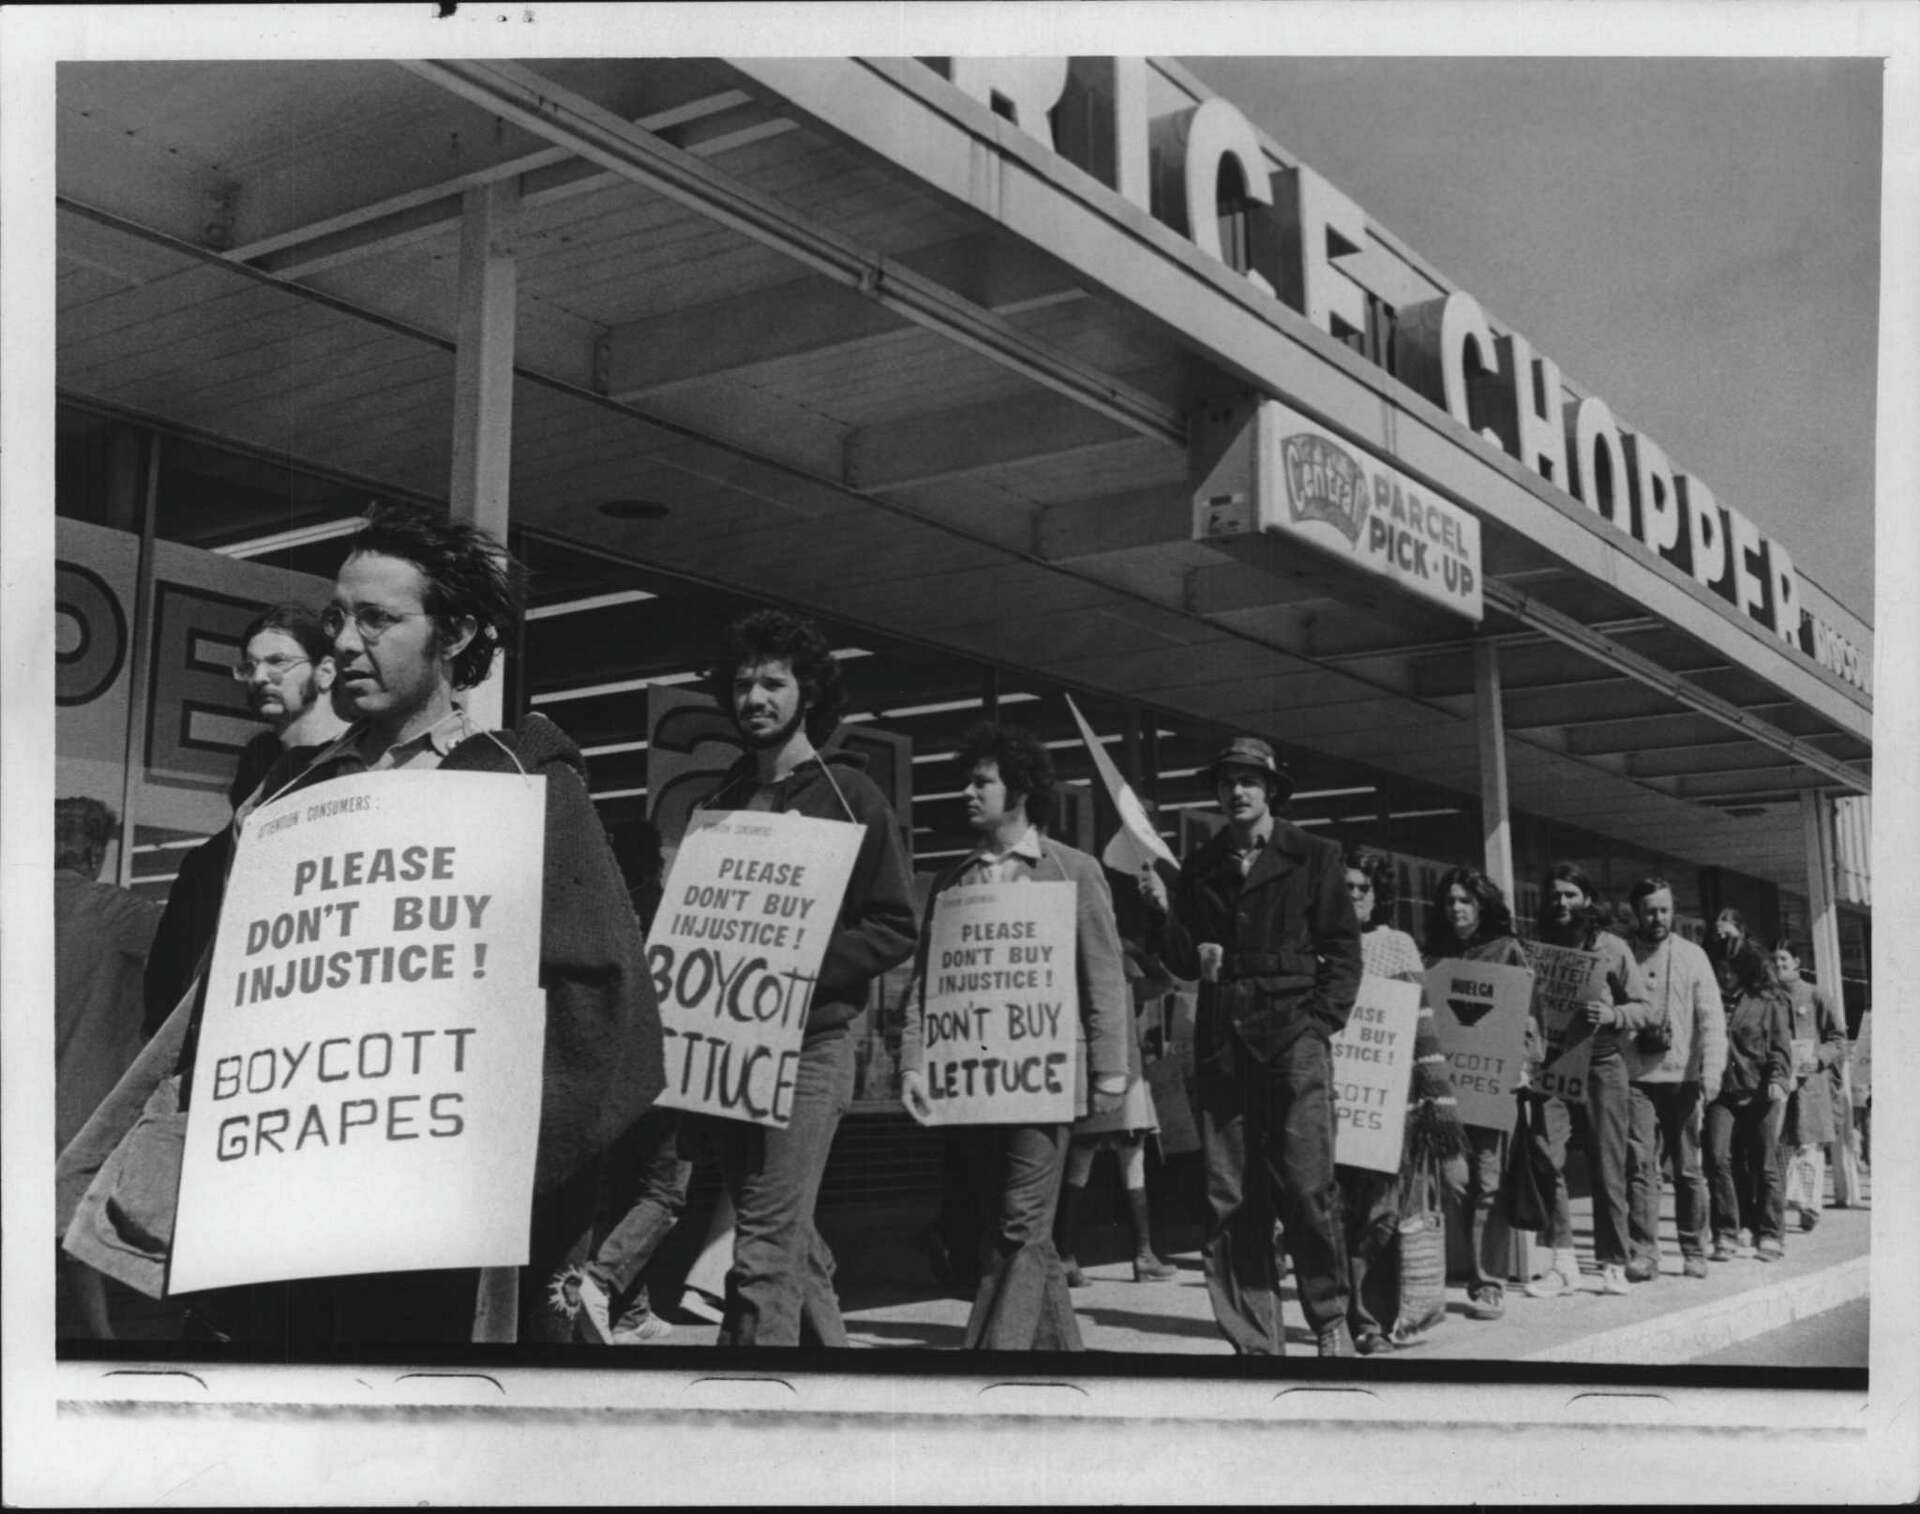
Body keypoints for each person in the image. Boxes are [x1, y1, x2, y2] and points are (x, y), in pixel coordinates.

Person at [69, 503, 667, 1347]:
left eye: (378, 619)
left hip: (430, 1229)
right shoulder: (290, 794)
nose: (345, 641)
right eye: (337, 618)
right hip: (282, 1211)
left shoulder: (518, 785)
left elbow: (606, 1010)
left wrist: (498, 1170)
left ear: (454, 634)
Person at [693, 609, 917, 1347]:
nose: (754, 698)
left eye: (773, 683)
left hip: (809, 1050)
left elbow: (893, 925)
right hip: (725, 1048)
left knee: (759, 1253)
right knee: (788, 1239)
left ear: (808, 694)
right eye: (742, 683)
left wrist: (799, 967)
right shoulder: (719, 801)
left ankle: (758, 1412)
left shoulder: (850, 795)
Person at [900, 724, 1130, 1349]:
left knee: (1021, 1221)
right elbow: (926, 985)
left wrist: (1111, 1068)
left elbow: (1105, 974)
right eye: (967, 782)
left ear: (1020, 789)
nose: (967, 794)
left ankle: (986, 1357)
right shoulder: (951, 882)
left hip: (1044, 1079)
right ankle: (1061, 1357)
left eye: (982, 782)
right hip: (971, 1082)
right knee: (1008, 1228)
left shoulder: (1072, 870)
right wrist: (912, 1066)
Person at [1138, 736, 1361, 1357]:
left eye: (1249, 781)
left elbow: (1343, 948)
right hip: (1224, 1042)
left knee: (1308, 1184)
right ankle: (1255, 1339)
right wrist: (1161, 915)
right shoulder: (1202, 865)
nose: (1237, 791)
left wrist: (1320, 1023)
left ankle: (1329, 1318)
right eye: (1227, 780)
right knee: (1229, 1195)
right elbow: (1185, 960)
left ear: (1271, 792)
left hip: (1295, 1038)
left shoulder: (1314, 855)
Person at [140, 603, 349, 1037]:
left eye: (278, 662)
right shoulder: (264, 794)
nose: (258, 678)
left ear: (326, 671)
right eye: (249, 666)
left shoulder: (356, 771)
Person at [1336, 848, 1466, 1354]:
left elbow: (1422, 1030)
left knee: (1383, 1218)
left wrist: (1440, 1109)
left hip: (1395, 1111)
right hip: (1339, 1107)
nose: (1353, 898)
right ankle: (1361, 1323)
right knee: (1345, 1217)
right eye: (1344, 889)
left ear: (1378, 895)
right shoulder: (1319, 948)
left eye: (1361, 889)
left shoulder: (1397, 947)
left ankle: (1381, 1315)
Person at [54, 796, 164, 1340]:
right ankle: (101, 1341)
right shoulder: (111, 910)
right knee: (79, 1227)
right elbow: (189, 943)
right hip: (79, 1099)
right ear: (95, 852)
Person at [1522, 864, 1647, 1299]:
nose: (1562, 903)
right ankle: (1562, 1262)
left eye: (1571, 895)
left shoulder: (1612, 947)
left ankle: (1612, 1262)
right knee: (1546, 1157)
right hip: (1553, 1064)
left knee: (1608, 1164)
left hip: (1602, 1062)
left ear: (1588, 900)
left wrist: (1614, 1015)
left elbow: (1646, 1007)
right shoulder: (1538, 949)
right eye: (1555, 896)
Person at [1423, 866, 1531, 1321]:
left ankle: (1489, 1283)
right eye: (1449, 901)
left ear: (1482, 904)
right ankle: (1462, 1267)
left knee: (1490, 1183)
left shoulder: (1508, 951)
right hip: (1446, 1087)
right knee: (1456, 1182)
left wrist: (1525, 1062)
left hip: (1491, 1087)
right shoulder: (1437, 956)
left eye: (1465, 900)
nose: (1456, 909)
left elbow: (1530, 1014)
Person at [1053, 940, 1179, 1289]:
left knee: (1083, 1164)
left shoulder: (1080, 976)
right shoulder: (1120, 978)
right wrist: (1139, 952)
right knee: (1130, 1162)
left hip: (1095, 1077)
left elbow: (1164, 983)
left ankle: (1067, 1256)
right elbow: (1164, 981)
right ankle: (1141, 1255)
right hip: (1120, 1075)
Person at [1624, 877, 1726, 1283]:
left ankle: (1692, 1247)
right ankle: (1644, 1254)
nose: (1658, 917)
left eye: (1664, 909)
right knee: (1640, 1167)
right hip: (1636, 1080)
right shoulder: (1623, 953)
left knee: (1686, 1169)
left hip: (1682, 1080)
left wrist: (1711, 1074)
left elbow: (1712, 1019)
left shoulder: (1692, 956)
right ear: (1637, 911)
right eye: (1650, 910)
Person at [1704, 943, 1793, 1262]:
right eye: (1719, 970)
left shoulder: (1765, 1001)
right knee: (1717, 1158)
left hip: (1758, 1089)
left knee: (1764, 1162)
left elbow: (1780, 1046)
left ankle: (1770, 1233)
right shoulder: (1709, 1000)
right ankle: (1727, 1231)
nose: (1724, 975)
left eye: (1730, 969)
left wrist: (1777, 1078)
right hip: (1721, 1091)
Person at [1770, 941, 1847, 1233]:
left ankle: (1809, 1206)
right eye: (1775, 961)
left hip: (1810, 1086)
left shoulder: (1815, 995)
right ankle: (1783, 1205)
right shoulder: (1771, 997)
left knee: (1808, 1146)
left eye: (1784, 959)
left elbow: (1837, 1038)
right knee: (1780, 1146)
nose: (1779, 965)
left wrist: (1819, 1058)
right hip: (1780, 1082)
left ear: (1797, 962)